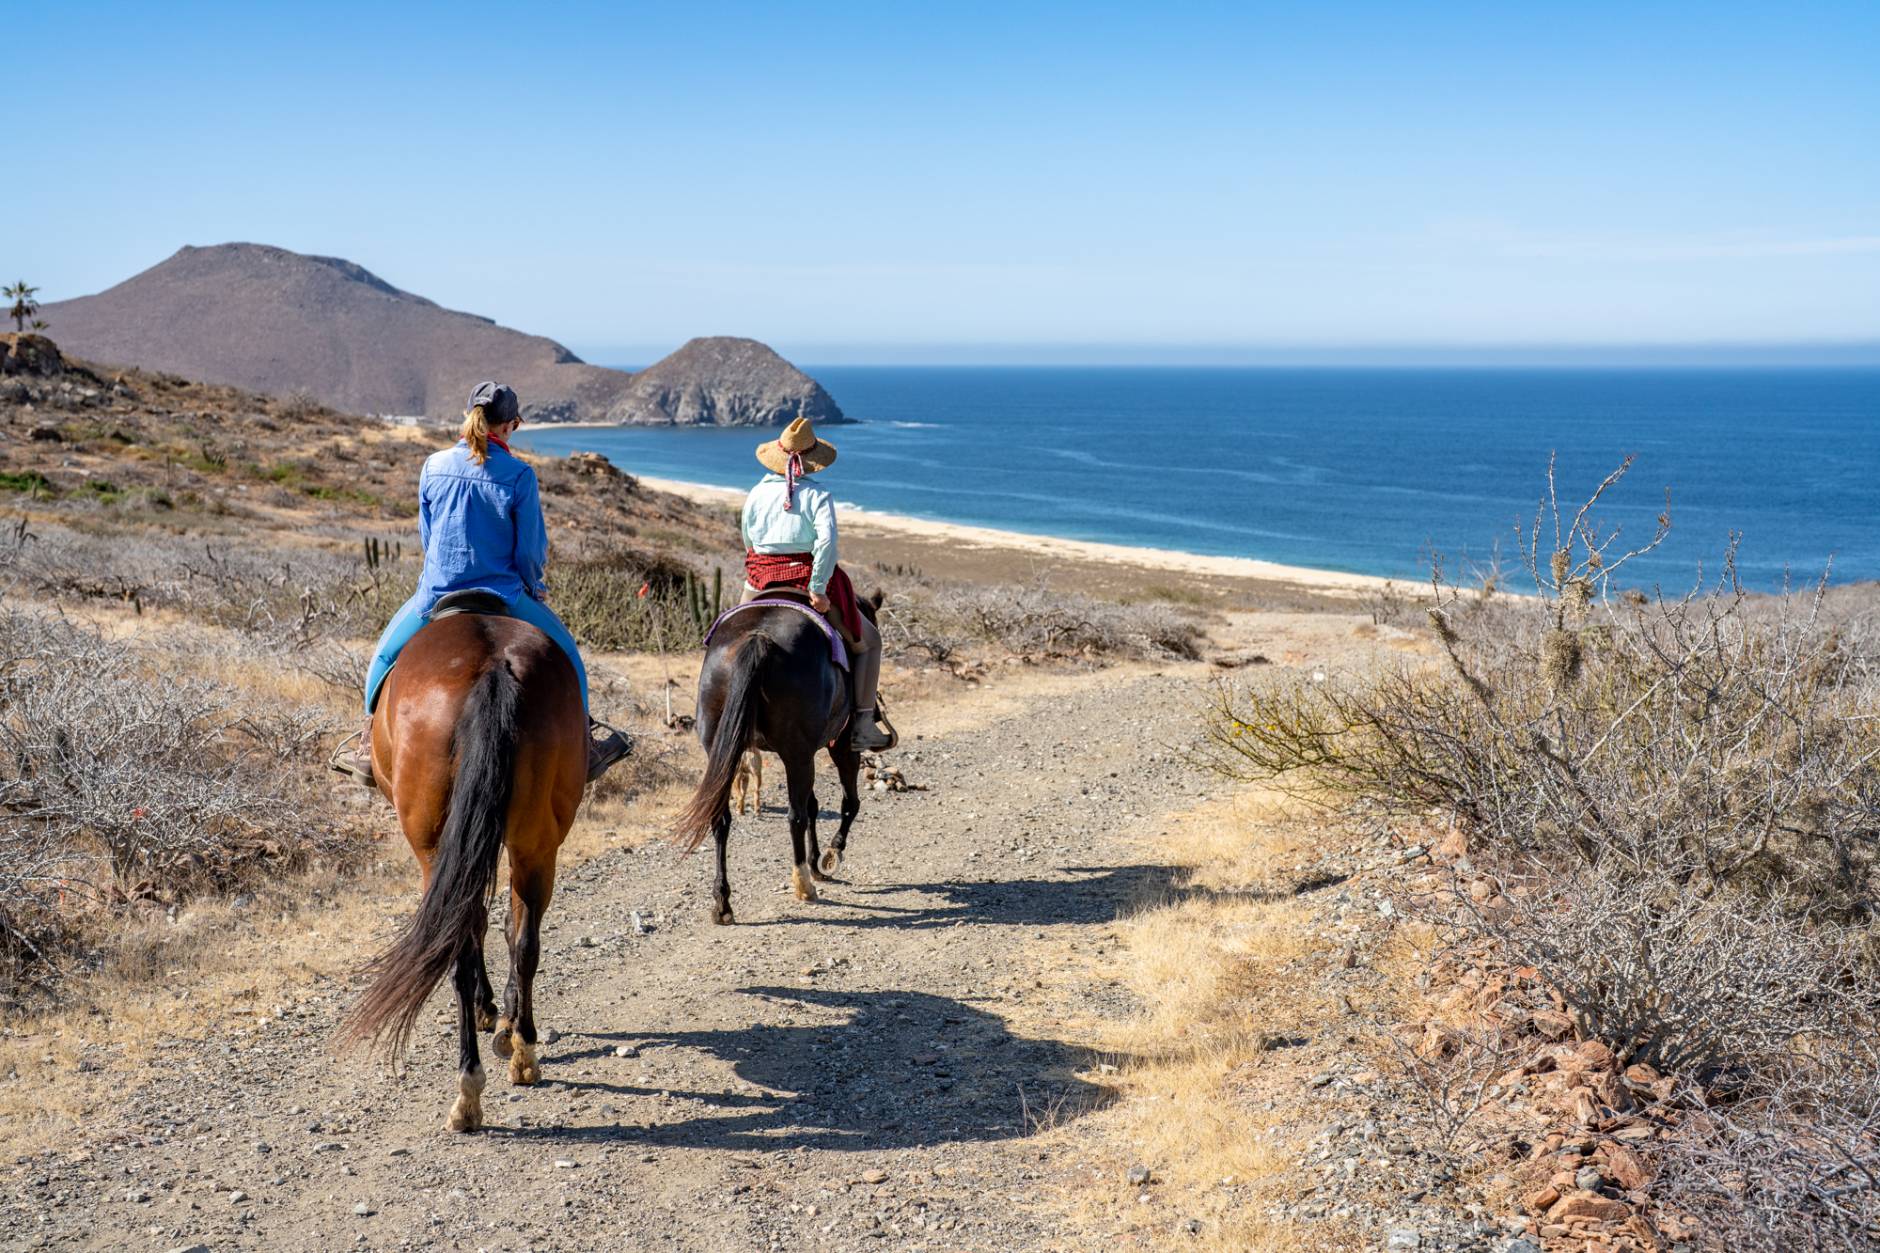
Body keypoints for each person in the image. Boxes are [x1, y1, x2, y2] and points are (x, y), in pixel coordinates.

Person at [331, 381, 630, 786]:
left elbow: (428, 534)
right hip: (503, 594)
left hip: (437, 593)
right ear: (510, 426)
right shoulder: (519, 475)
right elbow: (529, 551)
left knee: (383, 659)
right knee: (571, 658)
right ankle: (587, 742)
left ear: (469, 415)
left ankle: (368, 744)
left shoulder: (433, 466)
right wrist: (533, 585)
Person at [740, 417, 892, 751]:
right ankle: (864, 725)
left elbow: (748, 539)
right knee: (869, 642)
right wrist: (818, 589)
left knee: (728, 637)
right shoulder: (818, 496)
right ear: (811, 460)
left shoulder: (756, 493)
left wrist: (761, 569)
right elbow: (826, 544)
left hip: (760, 578)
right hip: (805, 578)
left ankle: (721, 709)